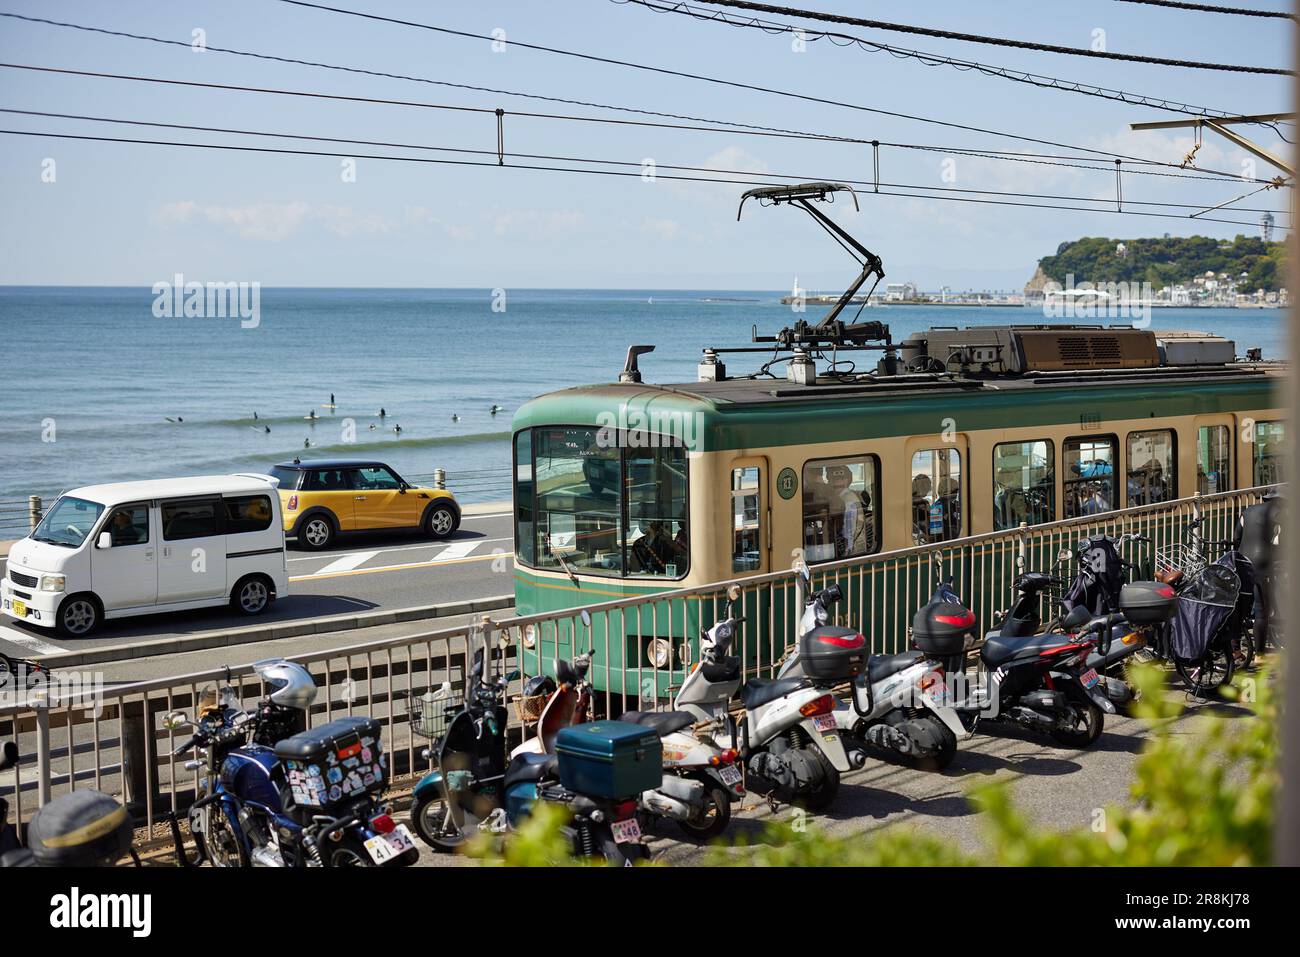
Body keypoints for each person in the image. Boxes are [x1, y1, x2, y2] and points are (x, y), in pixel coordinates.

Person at [829, 465, 867, 557]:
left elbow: (849, 533)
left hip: (853, 551)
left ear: (846, 481)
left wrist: (846, 554)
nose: (835, 482)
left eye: (839, 479)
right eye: (833, 479)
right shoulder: (847, 497)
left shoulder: (848, 502)